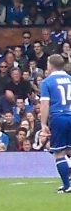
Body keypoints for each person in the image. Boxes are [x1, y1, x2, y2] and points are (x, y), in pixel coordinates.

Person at [38, 53, 71, 193]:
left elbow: (45, 104)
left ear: (50, 66)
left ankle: (67, 186)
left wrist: (43, 124)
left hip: (58, 117)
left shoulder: (47, 82)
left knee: (59, 153)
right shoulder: (70, 79)